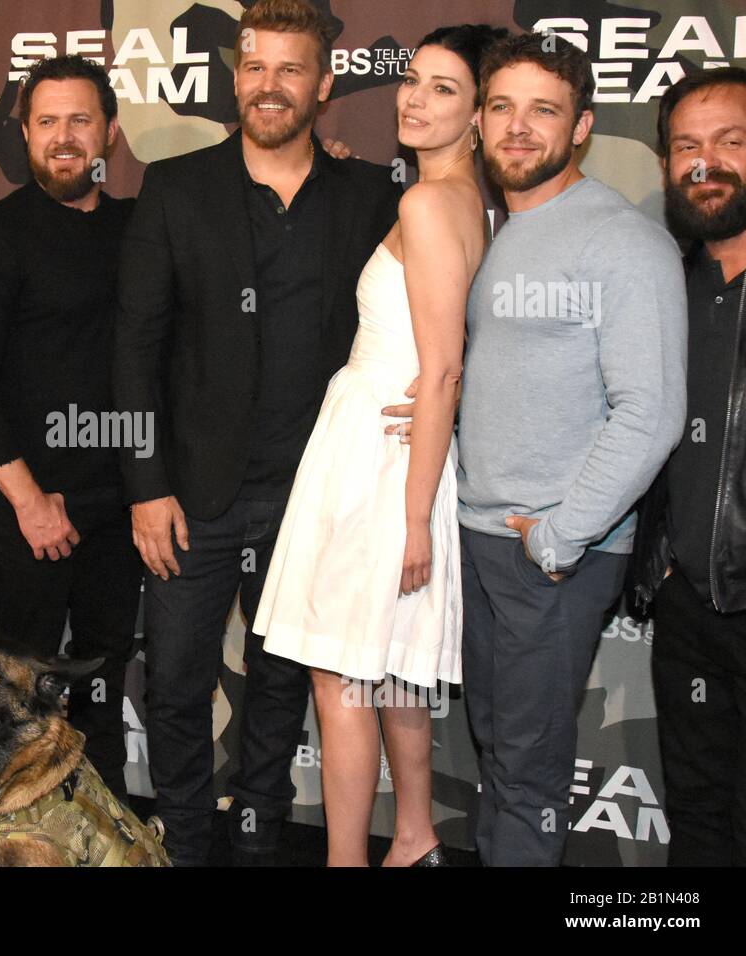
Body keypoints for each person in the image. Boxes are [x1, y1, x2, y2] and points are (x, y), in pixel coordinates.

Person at [112, 0, 400, 866]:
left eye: (289, 69)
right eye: (255, 66)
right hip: (191, 494)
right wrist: (145, 485)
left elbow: (417, 317)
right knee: (174, 684)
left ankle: (258, 836)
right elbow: (133, 348)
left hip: (313, 490)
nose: (268, 85)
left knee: (282, 686)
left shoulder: (370, 192)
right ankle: (187, 844)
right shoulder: (176, 187)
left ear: (324, 84)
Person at [254, 24, 504, 867]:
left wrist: (410, 516)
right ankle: (415, 837)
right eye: (413, 81)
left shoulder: (428, 203)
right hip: (395, 452)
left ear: (478, 116)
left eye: (445, 90)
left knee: (340, 679)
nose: (415, 99)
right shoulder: (463, 199)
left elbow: (440, 374)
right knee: (387, 670)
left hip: (386, 465)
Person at [456, 32, 686, 866]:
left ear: (582, 125)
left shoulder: (620, 240)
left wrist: (560, 536)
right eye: (502, 107)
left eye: (543, 111)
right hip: (481, 539)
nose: (518, 128)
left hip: (549, 551)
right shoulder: (501, 230)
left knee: (527, 773)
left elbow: (652, 413)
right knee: (499, 753)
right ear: (479, 121)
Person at [0, 54, 142, 801]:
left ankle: (106, 822)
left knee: (103, 676)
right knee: (15, 696)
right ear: (25, 134)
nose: (64, 137)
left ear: (109, 134)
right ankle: (6, 830)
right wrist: (28, 500)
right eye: (47, 121)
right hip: (29, 512)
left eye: (80, 120)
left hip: (117, 507)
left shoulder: (139, 225)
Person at [627, 67, 746, 866]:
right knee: (700, 819)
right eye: (686, 147)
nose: (706, 162)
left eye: (732, 141)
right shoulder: (668, 287)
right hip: (690, 610)